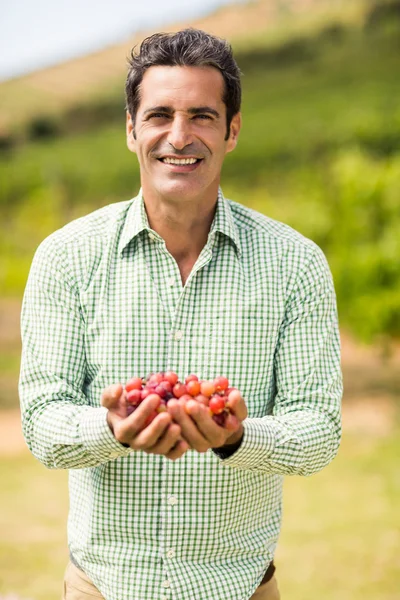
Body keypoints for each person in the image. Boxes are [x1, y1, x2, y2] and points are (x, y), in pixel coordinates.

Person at [19, 28, 342, 600]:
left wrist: (240, 439)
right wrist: (112, 430)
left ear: (232, 130)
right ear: (130, 128)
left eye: (202, 116)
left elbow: (317, 429)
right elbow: (43, 422)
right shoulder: (66, 258)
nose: (179, 136)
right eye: (160, 114)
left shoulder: (296, 265)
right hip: (103, 587)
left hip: (239, 588)